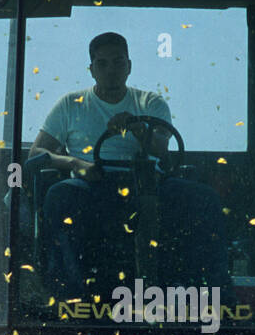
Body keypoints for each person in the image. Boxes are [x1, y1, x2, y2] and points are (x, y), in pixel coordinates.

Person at [29, 32, 228, 303]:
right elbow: (37, 152)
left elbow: (161, 147)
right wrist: (77, 164)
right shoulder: (70, 104)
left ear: (129, 66)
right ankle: (68, 296)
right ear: (91, 69)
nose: (111, 70)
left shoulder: (151, 103)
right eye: (102, 64)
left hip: (150, 184)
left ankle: (210, 295)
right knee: (60, 195)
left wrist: (137, 128)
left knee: (204, 199)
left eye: (118, 62)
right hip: (93, 185)